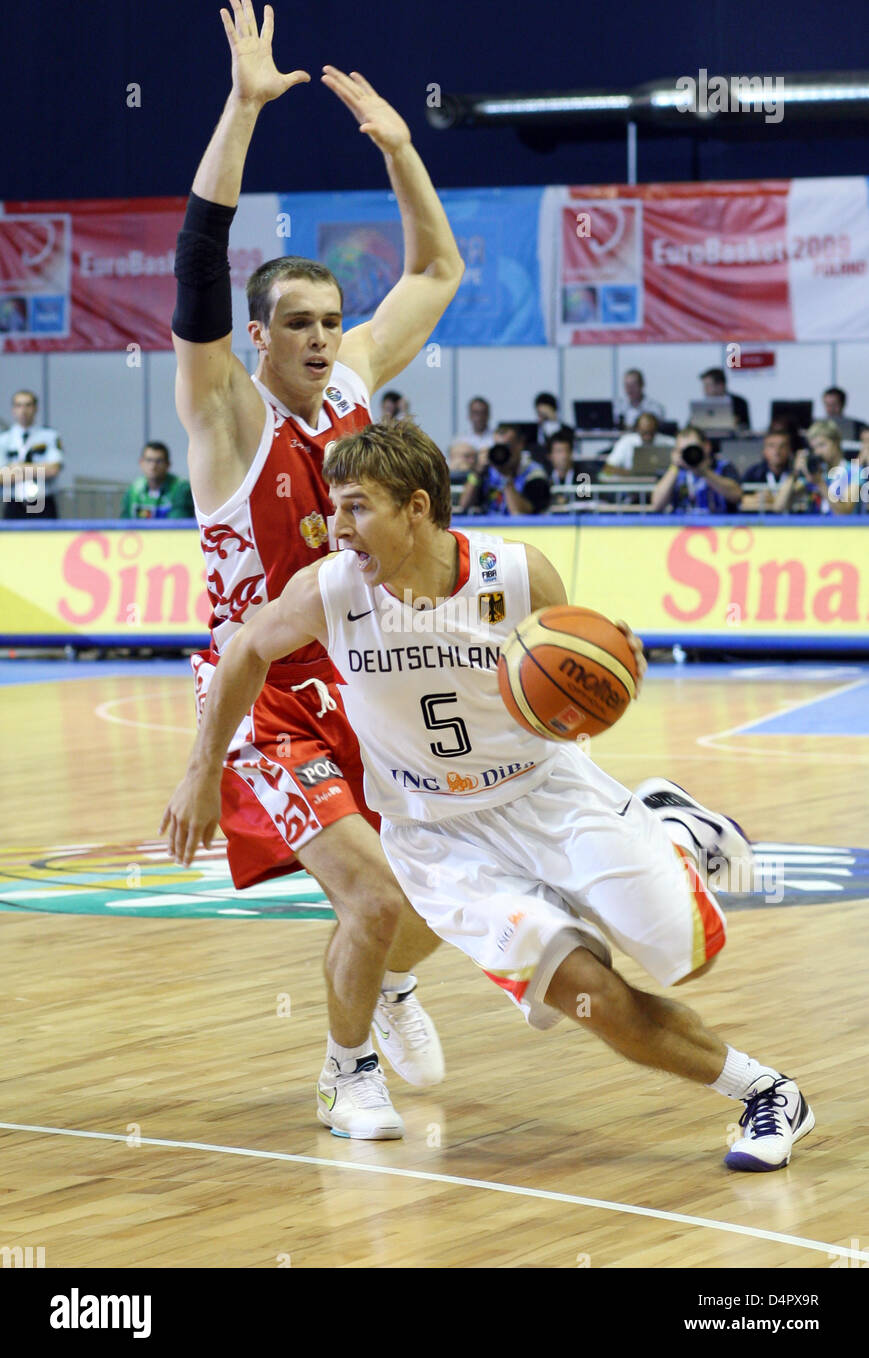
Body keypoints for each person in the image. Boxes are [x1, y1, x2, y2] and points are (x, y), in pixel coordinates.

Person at [163, 419, 814, 1172]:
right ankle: (765, 1092)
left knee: (683, 956)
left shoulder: (515, 573)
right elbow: (242, 647)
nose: (336, 529)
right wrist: (201, 769)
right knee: (587, 997)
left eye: (355, 508)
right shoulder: (328, 589)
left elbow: (570, 678)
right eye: (334, 508)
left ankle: (668, 828)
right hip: (440, 840)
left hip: (547, 796)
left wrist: (614, 660)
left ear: (415, 507)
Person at [170, 0, 466, 1139]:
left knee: (443, 889)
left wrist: (399, 150)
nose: (322, 335)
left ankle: (386, 978)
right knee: (374, 893)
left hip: (365, 675)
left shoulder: (350, 391)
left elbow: (435, 272)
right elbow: (197, 265)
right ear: (258, 337)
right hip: (261, 699)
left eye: (331, 318)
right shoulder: (224, 418)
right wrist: (243, 110)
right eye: (298, 321)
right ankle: (346, 1072)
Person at [457, 422, 550, 516]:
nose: (501, 453)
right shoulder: (488, 470)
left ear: (520, 444)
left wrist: (506, 477)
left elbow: (519, 514)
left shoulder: (534, 474)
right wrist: (477, 472)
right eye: (498, 447)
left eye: (507, 447)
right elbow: (464, 505)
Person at [774, 421, 862, 516]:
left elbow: (844, 512)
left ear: (836, 442)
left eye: (822, 445)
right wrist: (794, 473)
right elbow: (779, 506)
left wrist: (820, 483)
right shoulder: (814, 473)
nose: (818, 452)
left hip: (845, 530)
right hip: (815, 529)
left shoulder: (854, 472)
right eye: (814, 448)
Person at [0, 390, 63, 519]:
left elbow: (53, 469)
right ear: (13, 409)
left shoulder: (49, 436)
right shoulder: (4, 439)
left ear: (35, 408)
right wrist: (39, 469)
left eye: (28, 405)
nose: (23, 410)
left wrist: (16, 468)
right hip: (14, 502)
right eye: (19, 405)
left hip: (43, 501)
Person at [651, 426, 742, 514]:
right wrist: (674, 467)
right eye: (683, 450)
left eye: (693, 449)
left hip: (719, 526)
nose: (689, 454)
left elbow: (736, 496)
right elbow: (657, 505)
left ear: (706, 446)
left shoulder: (724, 467)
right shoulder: (673, 471)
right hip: (682, 526)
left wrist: (706, 473)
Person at [120, 442, 195, 519]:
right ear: (141, 462)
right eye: (149, 460)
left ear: (168, 464)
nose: (153, 466)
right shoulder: (133, 489)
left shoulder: (181, 488)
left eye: (159, 461)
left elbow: (178, 523)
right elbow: (125, 522)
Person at [740, 427, 795, 512]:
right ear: (764, 450)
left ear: (789, 450)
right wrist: (756, 498)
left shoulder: (796, 472)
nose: (777, 451)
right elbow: (740, 499)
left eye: (782, 446)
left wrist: (771, 500)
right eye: (771, 446)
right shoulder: (754, 472)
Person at [601, 411, 670, 479]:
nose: (648, 436)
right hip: (630, 486)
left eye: (651, 432)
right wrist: (632, 474)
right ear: (637, 429)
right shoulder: (626, 441)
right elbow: (608, 468)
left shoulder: (668, 442)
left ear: (656, 429)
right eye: (644, 432)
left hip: (661, 484)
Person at [699, 367, 750, 431]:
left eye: (707, 385)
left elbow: (745, 427)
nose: (705, 389)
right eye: (704, 386)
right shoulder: (702, 405)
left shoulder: (739, 403)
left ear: (720, 385)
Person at [546, 430, 585, 507]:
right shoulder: (544, 477)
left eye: (567, 451)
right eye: (559, 451)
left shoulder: (583, 476)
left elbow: (586, 501)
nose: (564, 456)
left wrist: (566, 502)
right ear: (550, 456)